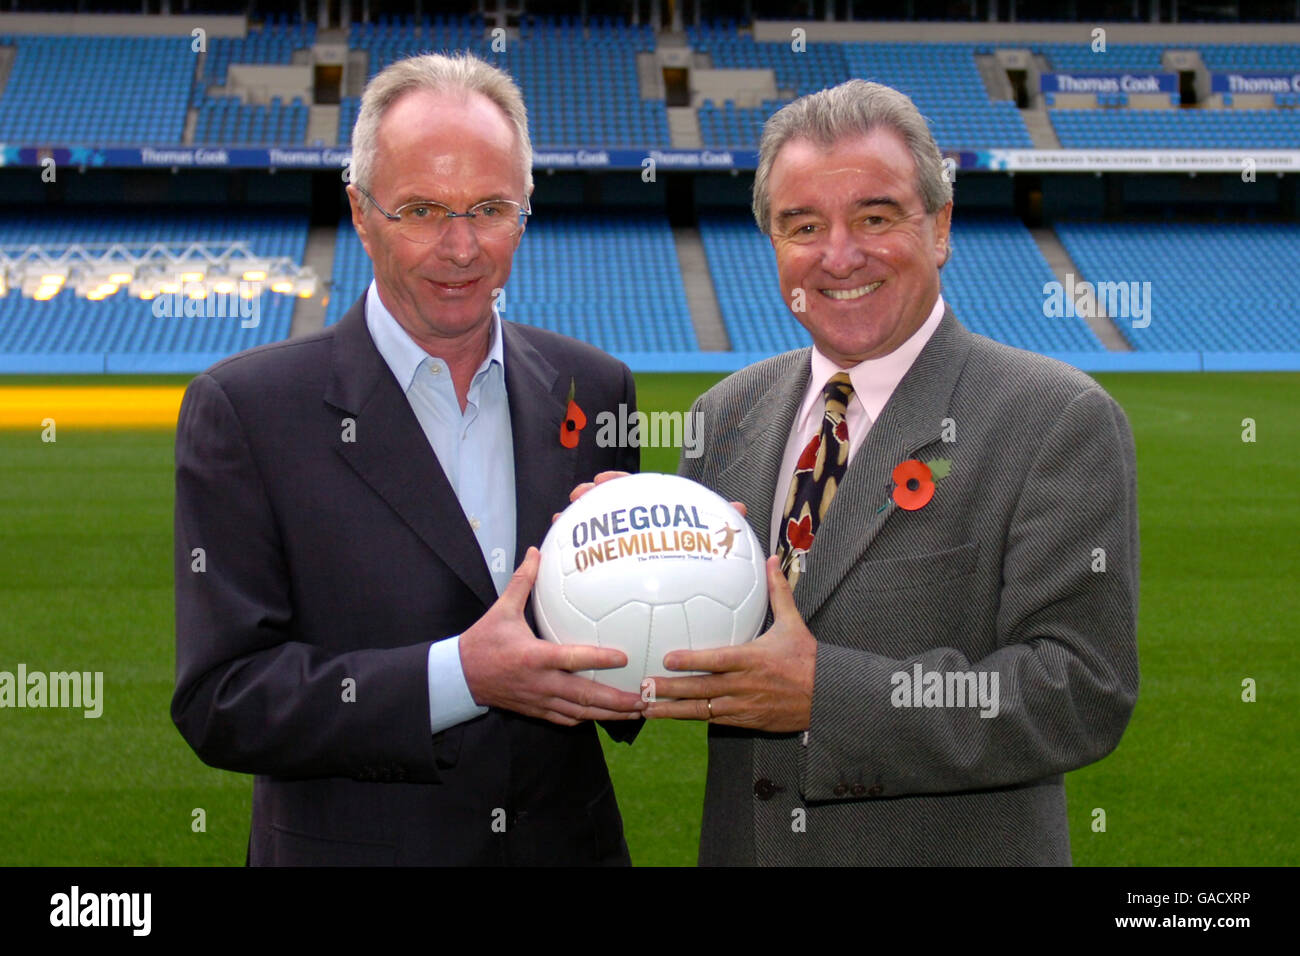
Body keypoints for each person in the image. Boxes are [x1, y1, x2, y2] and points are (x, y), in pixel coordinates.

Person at [638, 79, 1140, 865]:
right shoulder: (721, 416)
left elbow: (1078, 689)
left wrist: (827, 698)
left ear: (939, 226)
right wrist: (603, 574)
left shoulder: (1054, 419)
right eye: (803, 225)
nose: (840, 256)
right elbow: (690, 648)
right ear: (773, 242)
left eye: (875, 217)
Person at [171, 52, 646, 866]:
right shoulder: (247, 411)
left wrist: (674, 589)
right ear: (359, 211)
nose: (460, 247)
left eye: (491, 208)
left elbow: (618, 671)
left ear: (525, 212)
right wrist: (459, 676)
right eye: (422, 209)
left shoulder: (595, 388)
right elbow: (225, 699)